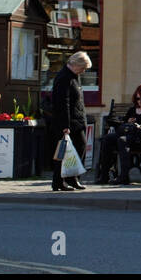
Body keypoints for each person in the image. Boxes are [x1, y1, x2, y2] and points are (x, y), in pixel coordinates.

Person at [96, 83, 141, 185]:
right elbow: (124, 125)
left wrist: (135, 126)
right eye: (137, 99)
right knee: (108, 139)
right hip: (130, 137)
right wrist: (127, 123)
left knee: (122, 140)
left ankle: (124, 176)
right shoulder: (133, 109)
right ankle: (104, 175)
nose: (138, 101)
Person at [50, 52, 91, 192]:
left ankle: (65, 180)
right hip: (70, 122)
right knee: (69, 149)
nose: (83, 71)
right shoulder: (64, 78)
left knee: (69, 150)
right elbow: (63, 103)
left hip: (75, 120)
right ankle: (65, 179)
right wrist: (65, 125)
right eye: (83, 68)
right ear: (75, 64)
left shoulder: (72, 77)